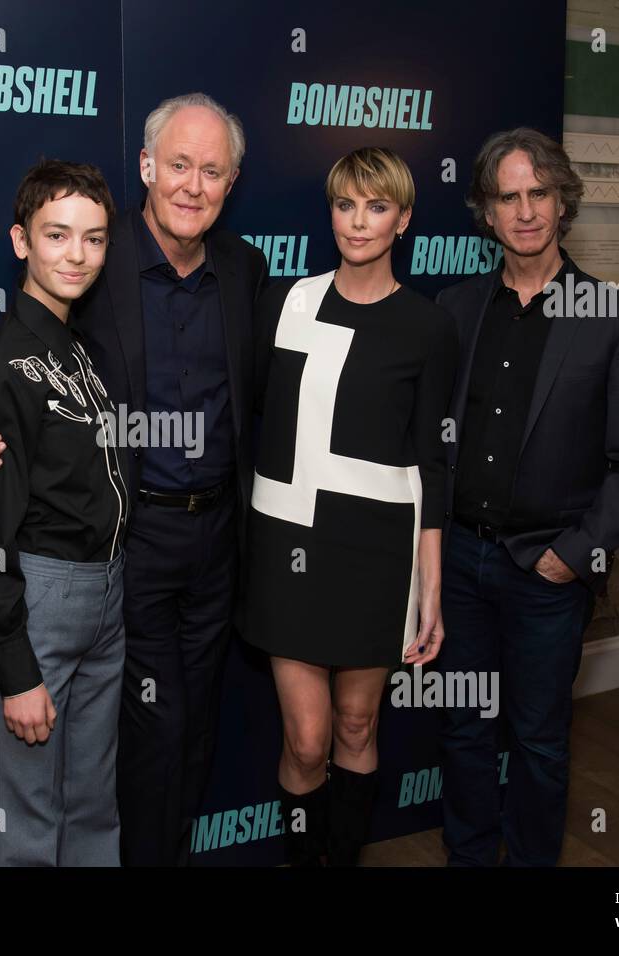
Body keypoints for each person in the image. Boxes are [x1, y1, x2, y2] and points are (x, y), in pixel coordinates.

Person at [0, 92, 269, 866]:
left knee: (173, 739)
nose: (194, 185)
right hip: (123, 543)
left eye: (213, 171)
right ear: (148, 168)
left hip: (214, 538)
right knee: (123, 749)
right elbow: (0, 390)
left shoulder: (245, 269)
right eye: (179, 165)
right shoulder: (97, 256)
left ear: (230, 184)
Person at [436, 127, 619, 866]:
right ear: (487, 212)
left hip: (545, 573)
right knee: (465, 729)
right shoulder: (458, 310)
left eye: (540, 193)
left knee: (536, 738)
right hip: (461, 564)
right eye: (510, 197)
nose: (526, 211)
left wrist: (570, 558)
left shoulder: (616, 321)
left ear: (563, 202)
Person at [246, 147, 457, 866]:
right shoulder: (286, 302)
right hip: (291, 543)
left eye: (376, 207)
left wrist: (430, 585)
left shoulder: (429, 327)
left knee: (358, 726)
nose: (357, 222)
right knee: (306, 740)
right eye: (344, 204)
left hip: (376, 552)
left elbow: (434, 461)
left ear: (403, 220)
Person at [0, 160, 127, 866]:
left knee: (91, 807)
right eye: (57, 235)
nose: (77, 255)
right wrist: (16, 669)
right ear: (21, 241)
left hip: (105, 594)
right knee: (25, 820)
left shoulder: (78, 346)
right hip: (39, 604)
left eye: (93, 239)